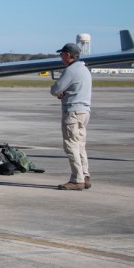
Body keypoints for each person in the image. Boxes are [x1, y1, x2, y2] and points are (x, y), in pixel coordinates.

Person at [50, 42, 92, 190]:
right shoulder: (85, 69)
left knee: (71, 145)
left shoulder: (71, 70)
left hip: (72, 112)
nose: (61, 57)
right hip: (84, 112)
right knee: (80, 144)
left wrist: (60, 92)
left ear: (68, 55)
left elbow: (55, 89)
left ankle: (76, 179)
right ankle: (85, 176)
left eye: (62, 54)